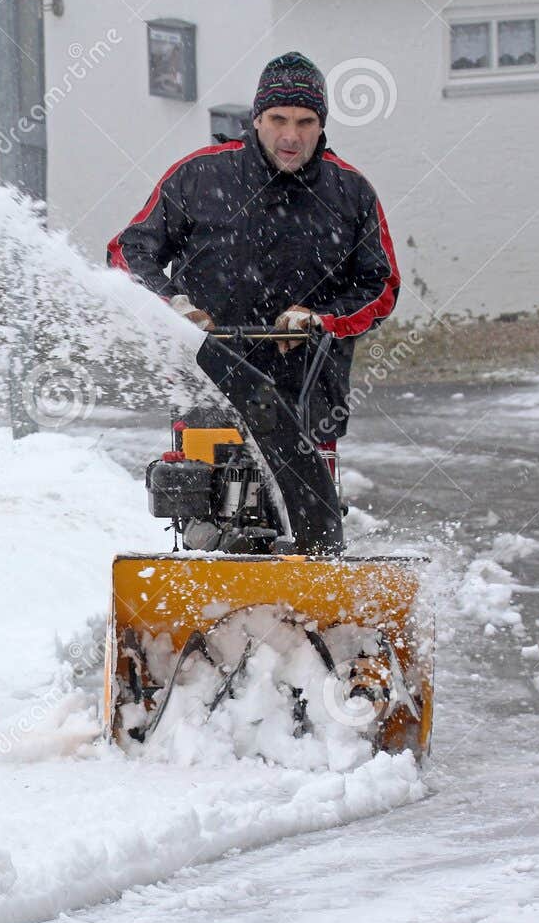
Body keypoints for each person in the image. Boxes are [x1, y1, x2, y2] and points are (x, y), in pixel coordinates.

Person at [107, 51, 400, 552]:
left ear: (322, 124)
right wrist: (172, 305)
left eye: (305, 122)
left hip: (309, 388)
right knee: (204, 507)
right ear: (257, 120)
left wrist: (320, 319)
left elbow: (381, 286)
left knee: (312, 527)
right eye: (279, 120)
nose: (291, 136)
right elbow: (128, 250)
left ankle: (315, 592)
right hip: (208, 376)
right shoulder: (199, 177)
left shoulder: (350, 192)